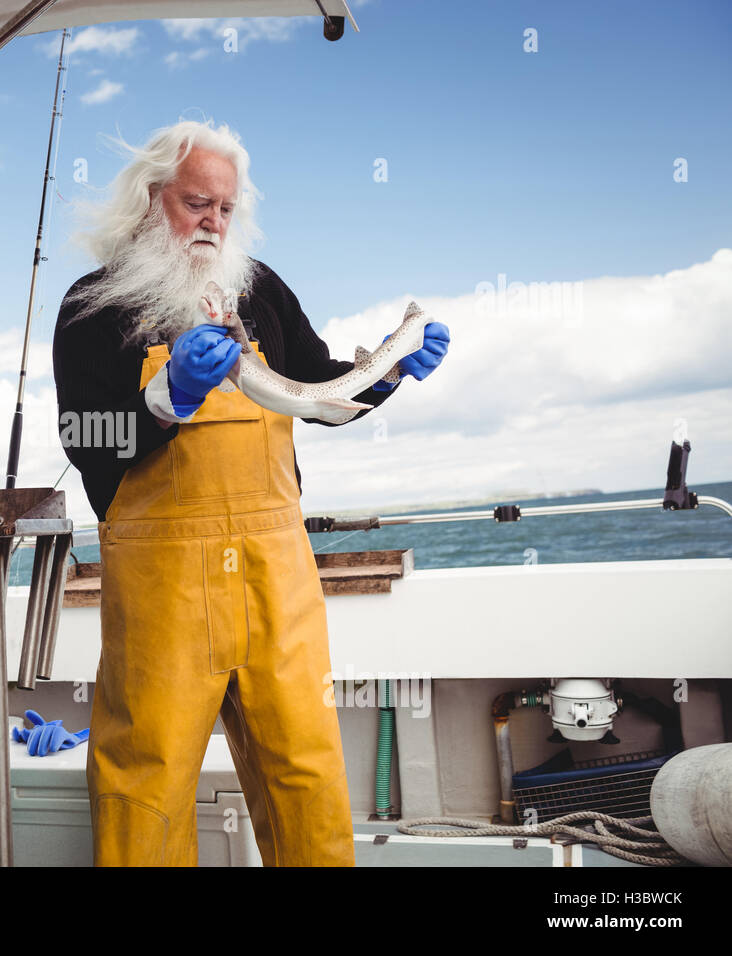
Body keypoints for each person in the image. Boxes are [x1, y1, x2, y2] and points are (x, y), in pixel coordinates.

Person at [51, 119, 449, 866]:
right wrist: (169, 396)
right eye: (197, 203)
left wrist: (390, 372)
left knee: (306, 772)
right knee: (148, 779)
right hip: (163, 588)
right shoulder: (93, 306)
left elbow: (321, 389)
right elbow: (84, 434)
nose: (214, 222)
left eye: (226, 209)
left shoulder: (259, 289)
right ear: (148, 200)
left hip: (277, 574)